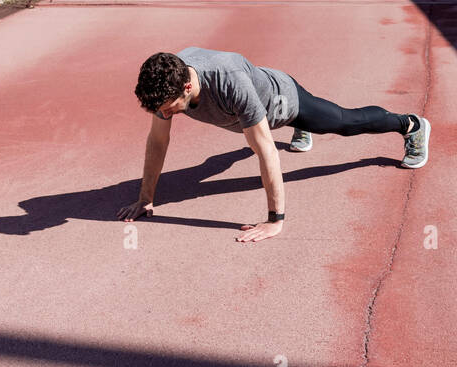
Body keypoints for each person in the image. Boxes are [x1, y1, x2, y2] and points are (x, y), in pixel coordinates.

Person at [117, 47, 430, 243]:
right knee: (223, 156)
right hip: (248, 112)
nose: (165, 114)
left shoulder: (229, 81)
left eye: (169, 108)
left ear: (188, 85)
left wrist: (274, 220)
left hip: (284, 102)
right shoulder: (168, 79)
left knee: (346, 123)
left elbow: (265, 150)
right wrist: (145, 198)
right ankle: (299, 131)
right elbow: (158, 141)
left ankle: (410, 125)